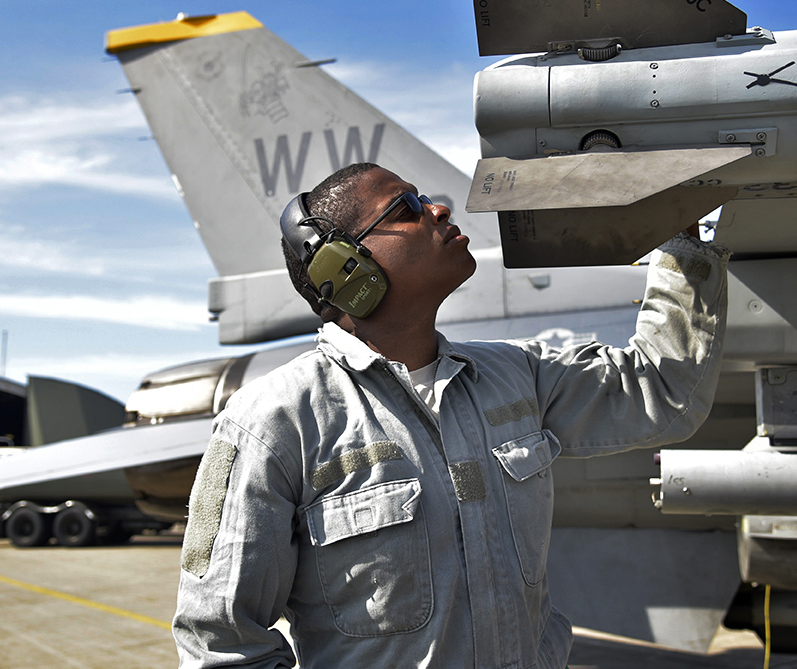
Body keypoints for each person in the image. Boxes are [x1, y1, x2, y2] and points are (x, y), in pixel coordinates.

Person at [172, 162, 731, 668]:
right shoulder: (274, 420)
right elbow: (219, 643)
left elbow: (661, 390)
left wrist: (676, 229)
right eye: (406, 209)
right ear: (343, 266)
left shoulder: (518, 375)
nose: (439, 209)